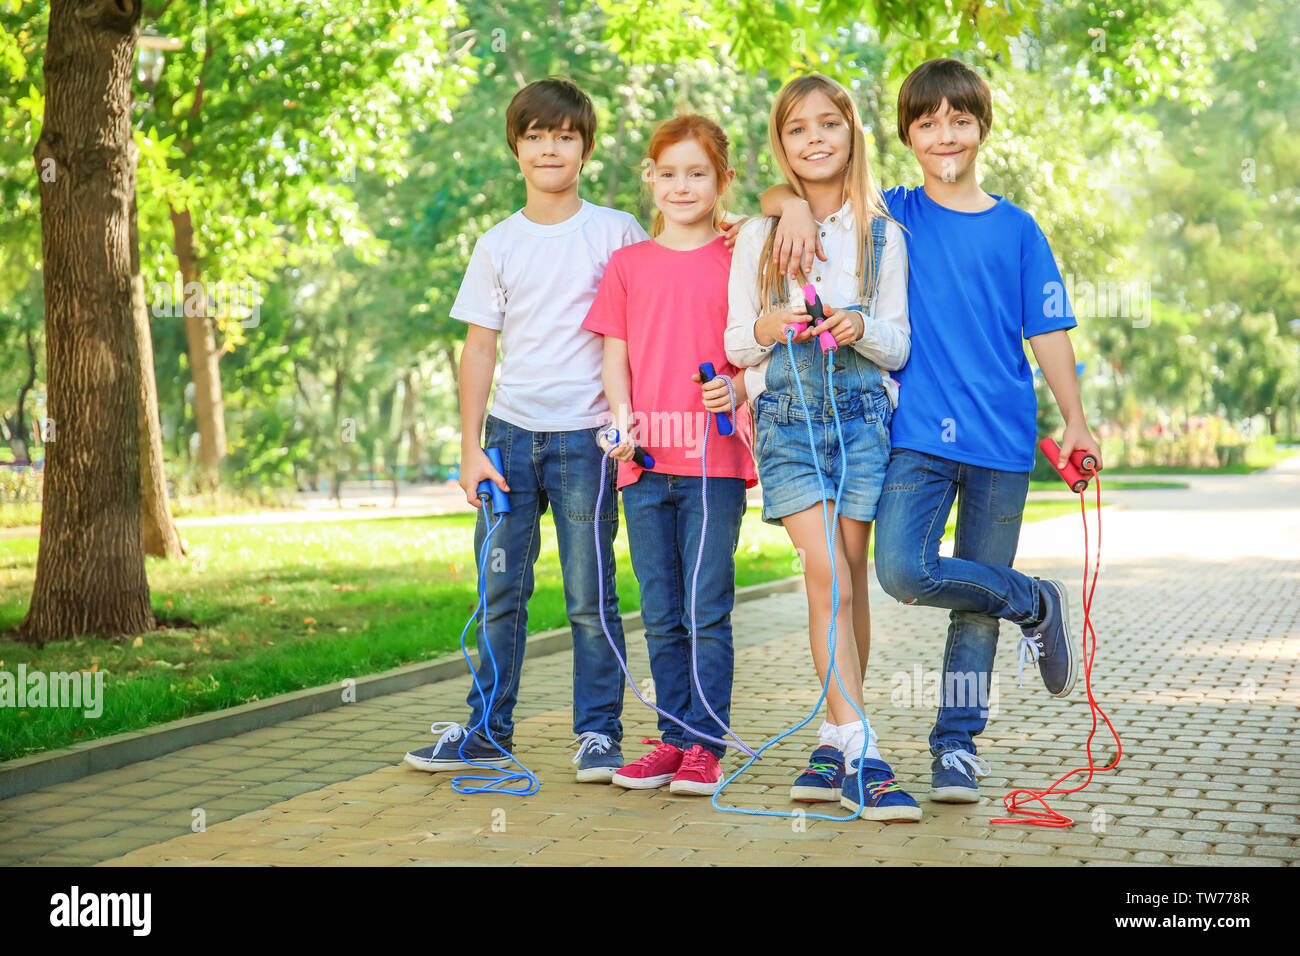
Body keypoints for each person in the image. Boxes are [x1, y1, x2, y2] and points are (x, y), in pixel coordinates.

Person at [762, 57, 1103, 804]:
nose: (944, 135)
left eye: (959, 119)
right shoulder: (895, 212)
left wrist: (1075, 419)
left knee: (975, 610)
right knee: (902, 573)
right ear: (907, 136)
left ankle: (955, 745)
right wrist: (784, 202)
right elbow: (814, 183)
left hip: (1003, 439)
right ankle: (1035, 600)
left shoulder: (1018, 230)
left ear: (982, 127)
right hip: (915, 435)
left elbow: (1048, 332)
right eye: (927, 122)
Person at [404, 77, 646, 783]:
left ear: (584, 149)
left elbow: (639, 329)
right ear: (517, 148)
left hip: (587, 439)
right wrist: (469, 446)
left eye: (564, 136)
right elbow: (480, 348)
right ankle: (485, 731)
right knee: (501, 590)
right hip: (510, 438)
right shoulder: (498, 243)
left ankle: (599, 734)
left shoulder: (616, 231)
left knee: (588, 593)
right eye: (536, 135)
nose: (550, 147)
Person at [728, 75, 919, 821]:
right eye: (798, 128)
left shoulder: (884, 237)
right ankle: (863, 746)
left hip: (863, 419)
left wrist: (857, 327)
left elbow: (899, 347)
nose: (815, 137)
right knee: (825, 572)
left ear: (851, 134)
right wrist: (774, 327)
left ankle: (836, 740)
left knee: (850, 575)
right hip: (790, 421)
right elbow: (737, 340)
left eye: (830, 124)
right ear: (782, 143)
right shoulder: (758, 234)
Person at [582, 114, 758, 796]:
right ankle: (672, 737)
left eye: (698, 173)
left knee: (704, 606)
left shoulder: (740, 257)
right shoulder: (627, 265)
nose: (682, 186)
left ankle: (707, 744)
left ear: (722, 182)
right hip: (644, 465)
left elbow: (758, 347)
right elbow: (615, 359)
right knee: (659, 610)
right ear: (649, 178)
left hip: (714, 463)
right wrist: (622, 424)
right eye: (669, 172)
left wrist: (735, 388)